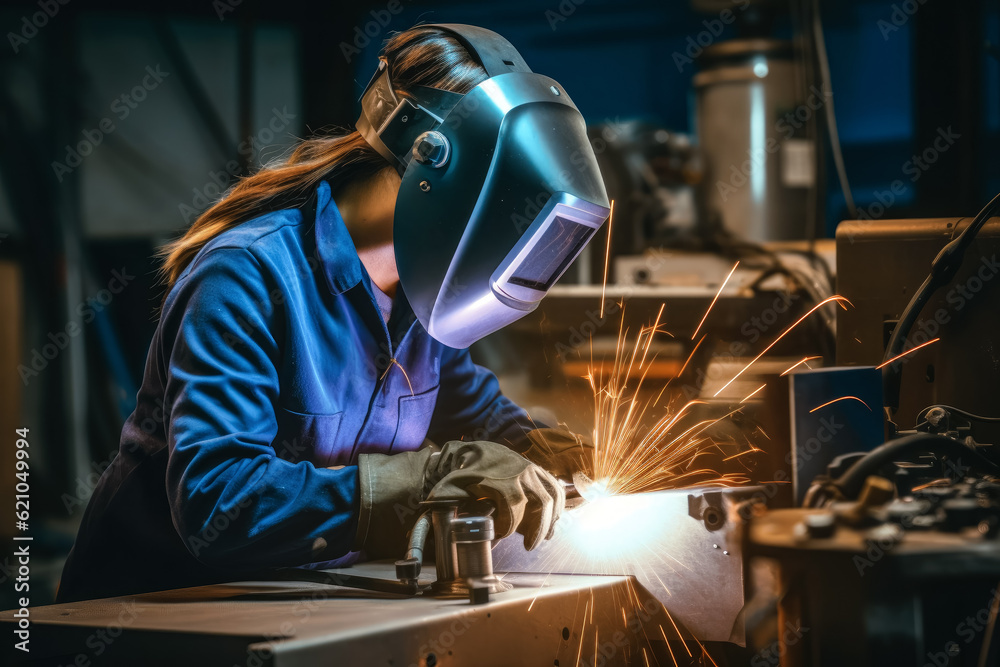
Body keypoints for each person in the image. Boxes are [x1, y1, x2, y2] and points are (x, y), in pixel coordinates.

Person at [57, 23, 609, 603]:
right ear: (435, 163)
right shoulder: (247, 277)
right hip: (151, 618)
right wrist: (422, 481)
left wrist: (572, 463)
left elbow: (480, 420)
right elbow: (217, 500)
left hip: (307, 606)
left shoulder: (425, 299)